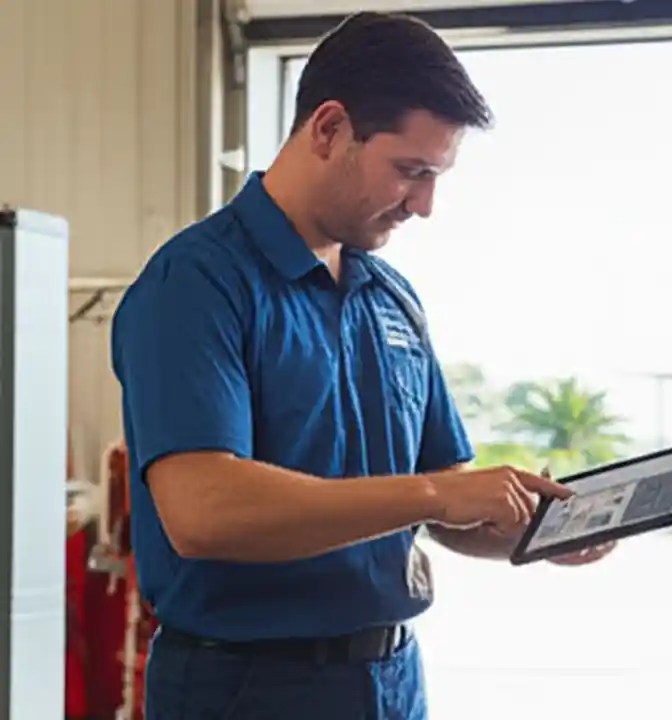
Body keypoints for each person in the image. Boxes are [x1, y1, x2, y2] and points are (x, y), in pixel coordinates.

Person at [111, 12, 611, 719]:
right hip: (245, 688)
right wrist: (435, 495)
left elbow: (442, 502)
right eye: (411, 172)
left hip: (392, 679)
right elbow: (205, 510)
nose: (426, 206)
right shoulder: (195, 285)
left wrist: (533, 531)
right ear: (328, 129)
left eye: (437, 177)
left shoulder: (391, 298)